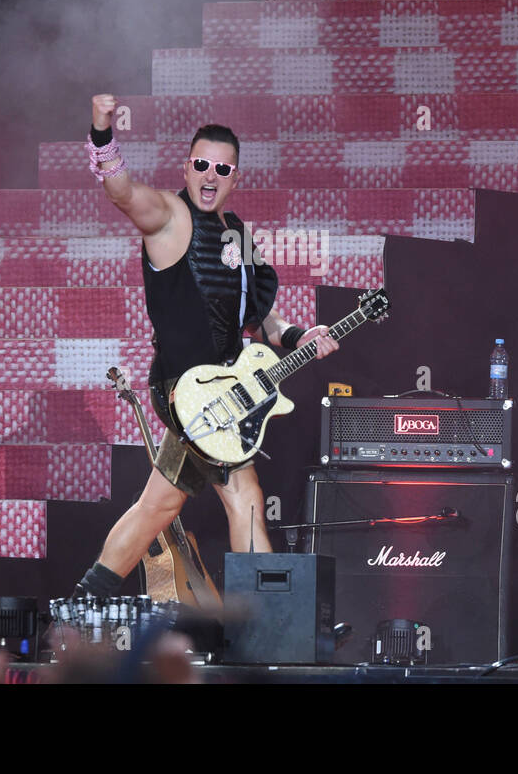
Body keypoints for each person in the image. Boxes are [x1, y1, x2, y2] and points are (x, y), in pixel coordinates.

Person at [74, 93, 339, 599]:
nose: (210, 175)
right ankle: (262, 626)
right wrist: (103, 133)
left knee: (165, 503)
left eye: (222, 167)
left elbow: (261, 320)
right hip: (186, 390)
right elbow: (122, 193)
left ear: (235, 177)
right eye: (201, 164)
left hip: (226, 391)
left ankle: (85, 601)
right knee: (242, 495)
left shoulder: (238, 236)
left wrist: (301, 336)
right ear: (187, 167)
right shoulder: (170, 216)